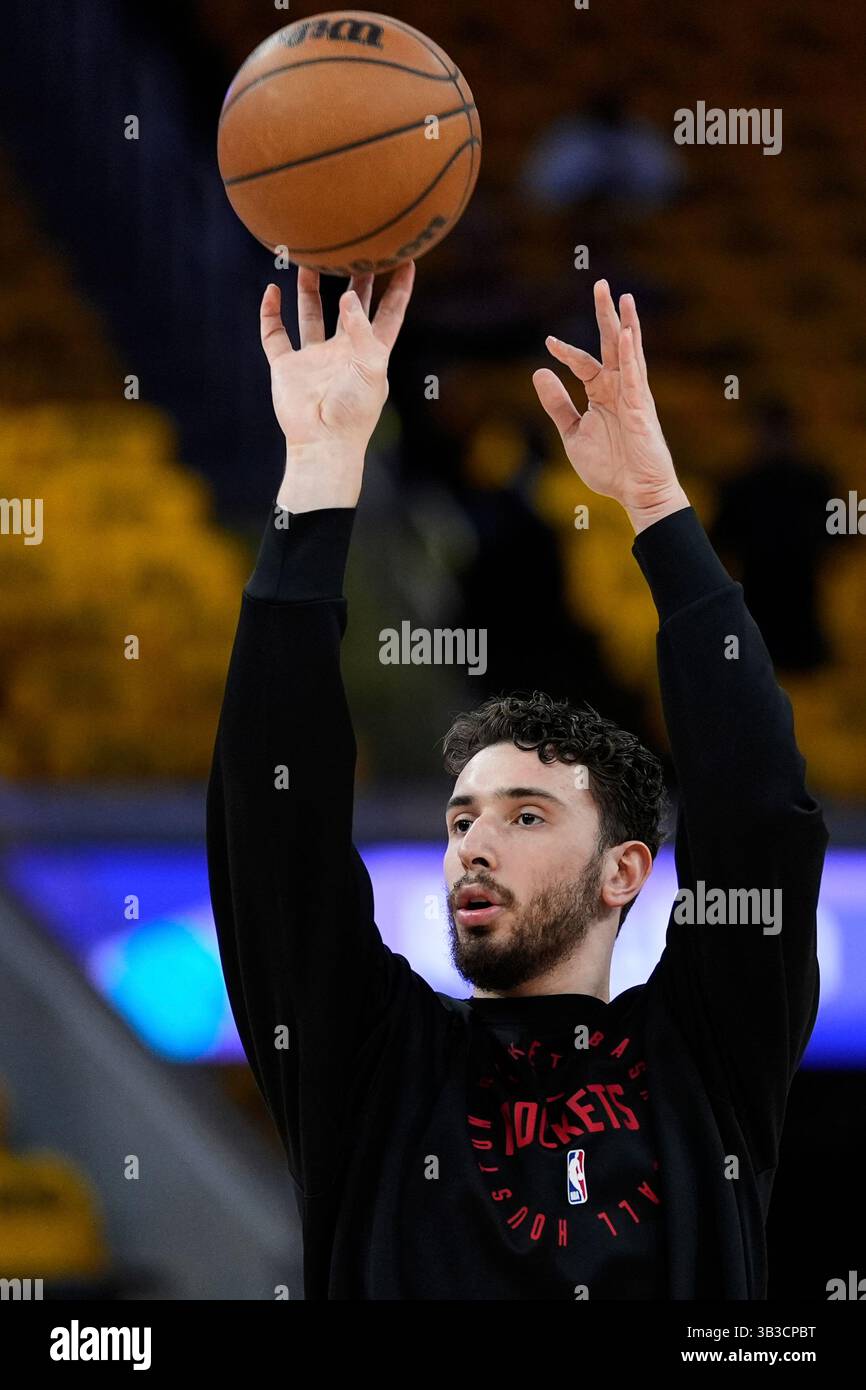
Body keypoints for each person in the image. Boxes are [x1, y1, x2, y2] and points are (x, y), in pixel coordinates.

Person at [206, 266, 828, 1299]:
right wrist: (318, 473)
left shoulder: (707, 1052)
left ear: (624, 869)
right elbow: (269, 828)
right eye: (460, 819)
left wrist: (654, 506)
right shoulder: (372, 1064)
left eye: (524, 813)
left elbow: (760, 809)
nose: (471, 846)